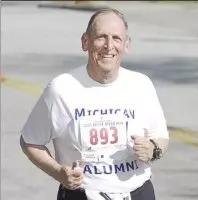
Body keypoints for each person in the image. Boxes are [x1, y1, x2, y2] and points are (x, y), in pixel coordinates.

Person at [20, 8, 169, 200]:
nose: (109, 46)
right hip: (81, 195)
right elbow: (30, 141)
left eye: (116, 38)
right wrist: (59, 172)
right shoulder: (61, 88)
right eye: (101, 37)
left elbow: (161, 138)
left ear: (127, 45)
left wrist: (153, 149)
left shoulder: (141, 85)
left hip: (138, 193)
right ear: (85, 42)